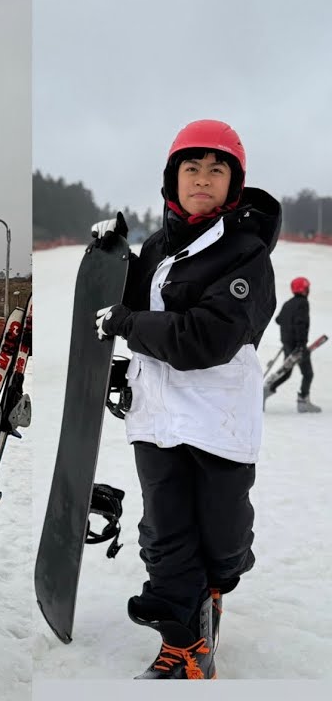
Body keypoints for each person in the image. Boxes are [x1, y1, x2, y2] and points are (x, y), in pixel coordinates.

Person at [93, 119, 280, 679]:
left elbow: (207, 337)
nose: (202, 178)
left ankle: (214, 587)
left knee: (223, 536)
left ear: (233, 183)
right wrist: (112, 256)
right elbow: (128, 306)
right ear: (172, 179)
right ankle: (185, 646)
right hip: (156, 417)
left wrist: (129, 324)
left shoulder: (246, 253)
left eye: (216, 170)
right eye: (191, 168)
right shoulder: (156, 248)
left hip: (217, 418)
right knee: (166, 531)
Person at [265, 277, 319, 412]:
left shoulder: (288, 303)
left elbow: (278, 320)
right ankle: (303, 401)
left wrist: (287, 330)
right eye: (307, 288)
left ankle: (266, 391)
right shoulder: (303, 303)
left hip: (287, 344)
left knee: (286, 372)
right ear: (304, 289)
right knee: (308, 373)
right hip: (297, 346)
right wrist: (301, 345)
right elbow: (300, 323)